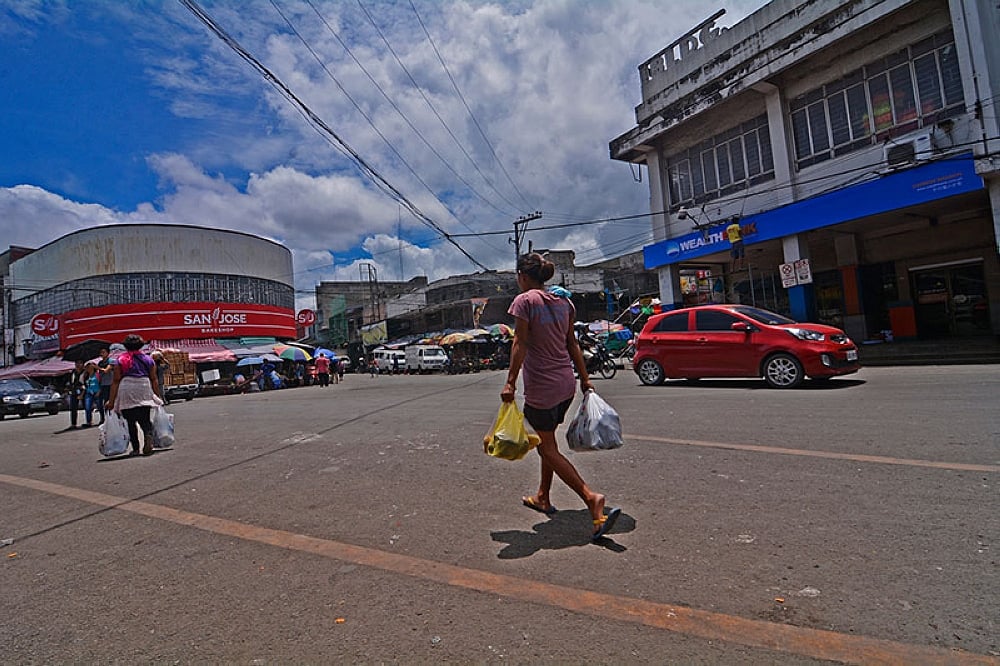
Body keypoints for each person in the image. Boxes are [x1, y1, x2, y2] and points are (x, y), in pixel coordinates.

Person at [502, 252, 620, 542]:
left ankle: (591, 497)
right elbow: (572, 343)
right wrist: (585, 378)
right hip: (565, 384)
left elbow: (520, 343)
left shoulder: (525, 301)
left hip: (542, 386)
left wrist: (510, 383)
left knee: (547, 448)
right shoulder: (564, 303)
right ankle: (543, 496)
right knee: (547, 442)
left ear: (523, 276)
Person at [107, 334, 163, 456]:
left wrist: (111, 401)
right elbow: (154, 379)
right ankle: (148, 436)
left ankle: (136, 448)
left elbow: (116, 381)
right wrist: (157, 396)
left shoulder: (120, 360)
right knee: (145, 418)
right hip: (143, 386)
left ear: (125, 346)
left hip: (127, 388)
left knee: (130, 421)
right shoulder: (149, 360)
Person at [96, 347, 115, 425]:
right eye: (101, 352)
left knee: (108, 402)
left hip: (110, 384)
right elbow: (100, 375)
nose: (102, 354)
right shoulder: (100, 362)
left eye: (103, 352)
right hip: (102, 384)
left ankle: (110, 418)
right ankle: (103, 418)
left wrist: (98, 368)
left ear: (107, 353)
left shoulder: (111, 361)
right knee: (100, 403)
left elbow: (107, 370)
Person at [67, 359, 86, 430]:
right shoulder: (73, 372)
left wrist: (82, 393)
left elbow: (86, 382)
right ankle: (73, 423)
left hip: (83, 390)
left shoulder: (85, 372)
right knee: (73, 408)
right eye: (77, 363)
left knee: (86, 407)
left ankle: (88, 421)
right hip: (74, 391)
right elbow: (71, 382)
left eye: (80, 363)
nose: (78, 365)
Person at [82, 362, 101, 427]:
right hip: (89, 392)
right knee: (87, 407)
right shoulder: (86, 376)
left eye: (90, 367)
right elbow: (84, 384)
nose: (89, 368)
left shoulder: (97, 374)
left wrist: (99, 391)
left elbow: (100, 383)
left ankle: (102, 419)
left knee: (100, 407)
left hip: (97, 391)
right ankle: (89, 422)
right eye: (88, 367)